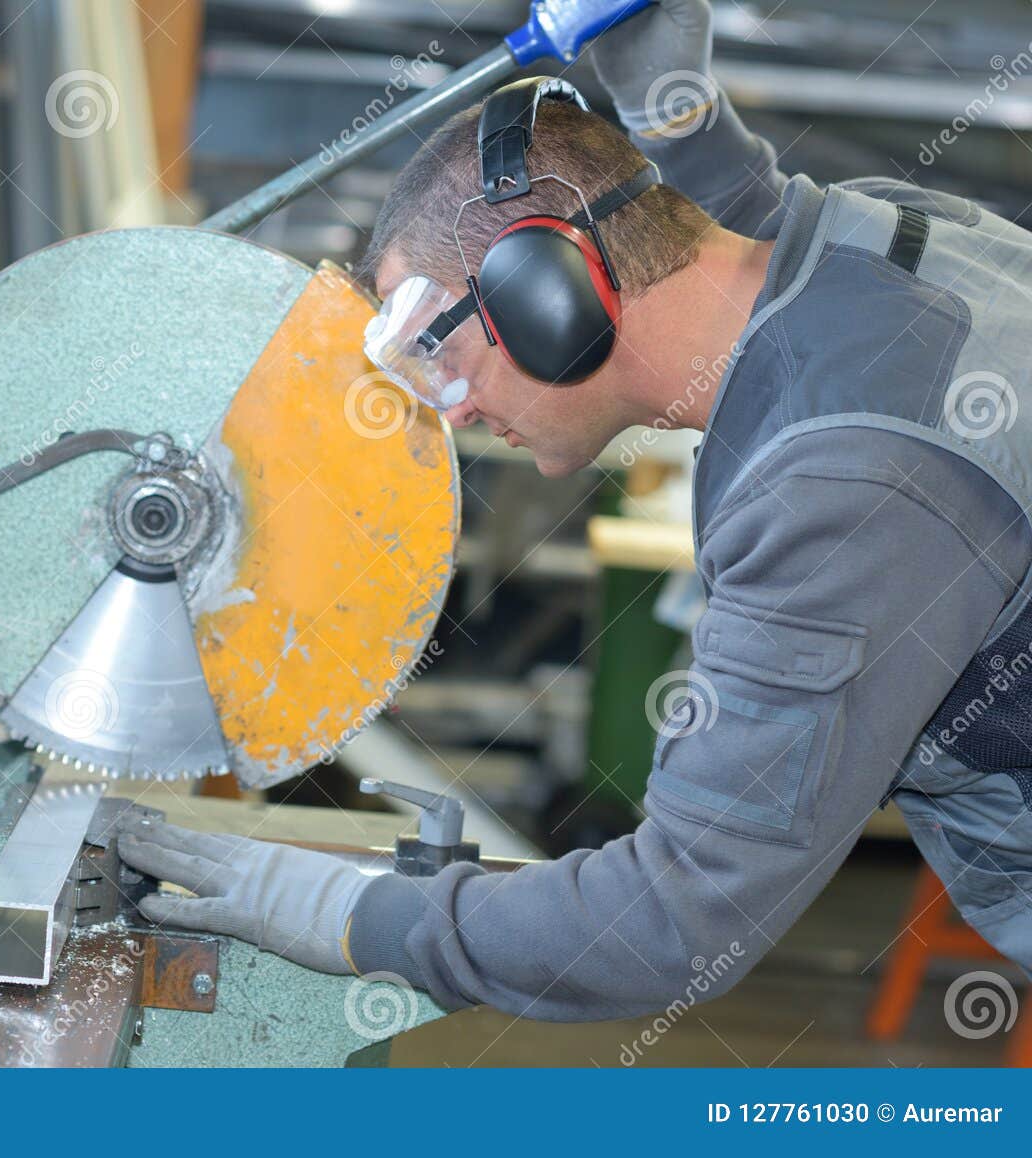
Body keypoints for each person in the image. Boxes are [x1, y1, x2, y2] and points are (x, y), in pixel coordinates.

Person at [118, 0, 1032, 1020]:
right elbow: (765, 231)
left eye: (442, 352)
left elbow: (669, 923)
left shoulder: (837, 492)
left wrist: (342, 910)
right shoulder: (907, 243)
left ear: (551, 294)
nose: (454, 408)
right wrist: (676, 114)